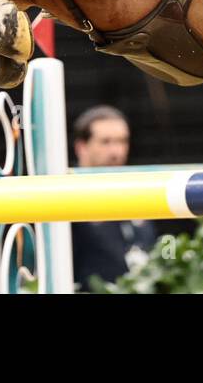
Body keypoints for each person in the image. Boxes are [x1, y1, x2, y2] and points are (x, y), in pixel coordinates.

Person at [68, 106, 156, 289]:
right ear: (81, 147)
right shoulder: (63, 194)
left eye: (122, 141)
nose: (116, 151)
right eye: (105, 142)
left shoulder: (139, 191)